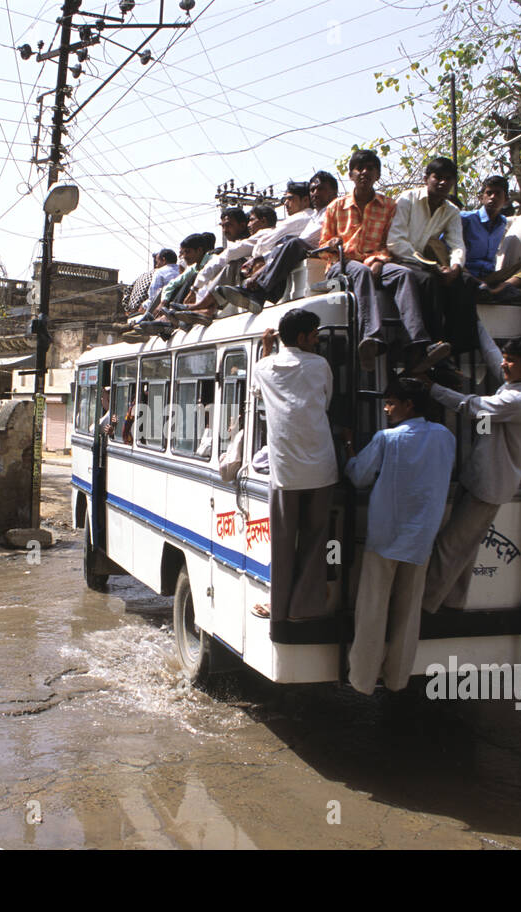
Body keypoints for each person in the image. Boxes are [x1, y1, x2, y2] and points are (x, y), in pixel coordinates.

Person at [342, 378, 454, 694]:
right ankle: (397, 679)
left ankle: (363, 680)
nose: (387, 409)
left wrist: (350, 447)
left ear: (409, 405)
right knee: (408, 614)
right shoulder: (446, 437)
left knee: (373, 610)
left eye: (391, 403)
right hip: (422, 539)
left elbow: (359, 476)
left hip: (384, 537)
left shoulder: (387, 439)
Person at [421, 331, 521, 612]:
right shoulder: (515, 387)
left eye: (511, 361)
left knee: (449, 546)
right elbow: (492, 356)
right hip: (479, 479)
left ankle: (424, 607)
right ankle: (452, 604)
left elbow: (471, 406)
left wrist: (430, 388)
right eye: (506, 359)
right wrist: (477, 324)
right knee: (466, 547)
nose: (504, 364)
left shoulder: (520, 399)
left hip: (489, 485)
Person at [250, 308, 338, 622]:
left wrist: (266, 348)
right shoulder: (321, 365)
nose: (317, 341)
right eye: (314, 335)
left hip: (286, 473)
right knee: (316, 542)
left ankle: (279, 609)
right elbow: (325, 403)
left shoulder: (264, 366)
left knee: (283, 544)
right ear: (302, 337)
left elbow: (258, 393)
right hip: (323, 469)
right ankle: (305, 609)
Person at [378, 155, 478, 367]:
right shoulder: (408, 199)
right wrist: (427, 264)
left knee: (466, 282)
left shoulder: (452, 211)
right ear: (426, 178)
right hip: (400, 259)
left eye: (448, 178)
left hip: (425, 262)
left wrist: (455, 267)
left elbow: (457, 244)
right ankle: (427, 345)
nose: (443, 183)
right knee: (427, 280)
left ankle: (455, 348)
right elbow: (396, 242)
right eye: (438, 177)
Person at [313, 149, 398, 370]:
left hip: (375, 262)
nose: (364, 173)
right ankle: (370, 336)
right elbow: (323, 249)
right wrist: (331, 244)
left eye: (370, 168)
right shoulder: (336, 207)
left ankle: (417, 343)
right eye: (359, 168)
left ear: (377, 175)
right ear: (351, 175)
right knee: (361, 272)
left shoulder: (389, 206)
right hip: (341, 264)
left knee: (406, 274)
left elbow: (392, 244)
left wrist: (381, 260)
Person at [215, 171, 340, 313]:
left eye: (321, 189)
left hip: (323, 253)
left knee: (294, 243)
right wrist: (262, 259)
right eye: (312, 189)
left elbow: (306, 242)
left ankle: (259, 291)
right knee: (289, 242)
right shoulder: (316, 216)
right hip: (302, 251)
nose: (315, 193)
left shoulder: (335, 208)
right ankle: (254, 289)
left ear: (334, 192)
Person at [460, 175, 510, 280]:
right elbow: (444, 248)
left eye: (498, 194)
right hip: (465, 275)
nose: (493, 197)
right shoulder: (466, 219)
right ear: (481, 198)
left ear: (506, 200)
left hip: (489, 276)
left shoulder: (502, 223)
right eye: (489, 193)